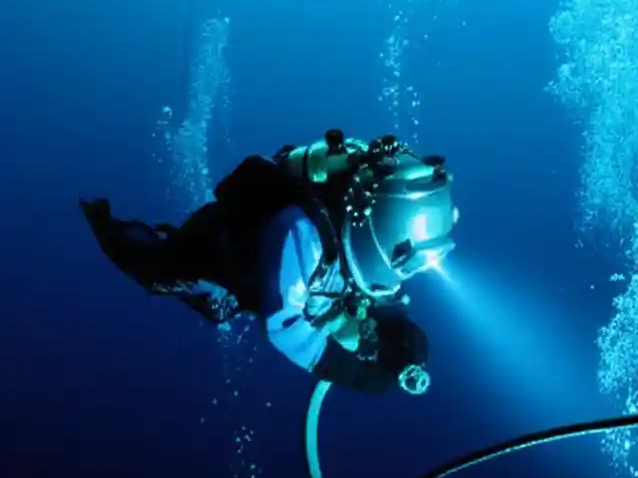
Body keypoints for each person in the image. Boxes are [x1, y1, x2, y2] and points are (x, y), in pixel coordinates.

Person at [80, 129, 458, 394]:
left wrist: (401, 337)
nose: (400, 277)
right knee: (163, 276)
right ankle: (104, 222)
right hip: (221, 254)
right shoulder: (303, 232)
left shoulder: (365, 239)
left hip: (299, 274)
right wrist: (358, 377)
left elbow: (378, 289)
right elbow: (286, 327)